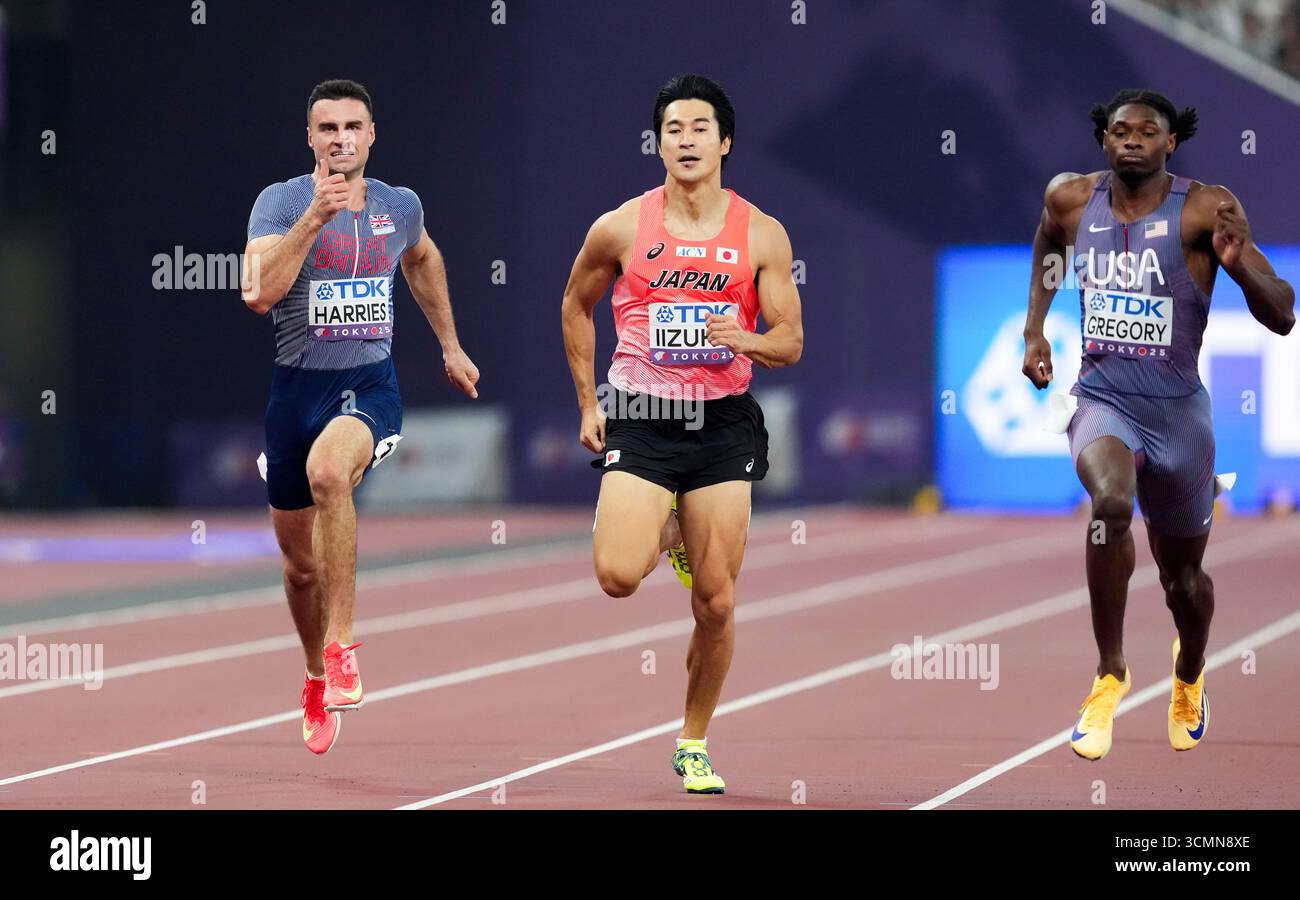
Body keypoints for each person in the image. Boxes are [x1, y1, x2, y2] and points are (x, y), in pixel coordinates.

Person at [1021, 89, 1294, 760]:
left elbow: (1283, 312)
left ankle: (1191, 671)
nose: (1132, 139)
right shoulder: (1069, 199)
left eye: (1148, 132)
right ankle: (1110, 672)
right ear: (1105, 140)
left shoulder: (1206, 207)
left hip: (1179, 416)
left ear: (1172, 143)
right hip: (1102, 399)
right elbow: (1048, 247)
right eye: (1120, 130)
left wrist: (1240, 266)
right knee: (1109, 503)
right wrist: (1035, 332)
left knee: (1185, 586)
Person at [560, 74, 804, 792]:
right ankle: (670, 528)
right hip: (643, 415)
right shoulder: (621, 227)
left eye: (700, 128)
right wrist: (586, 403)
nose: (687, 139)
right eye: (674, 129)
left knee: (718, 602)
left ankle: (693, 740)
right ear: (658, 142)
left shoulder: (761, 232)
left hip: (723, 424)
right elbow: (575, 306)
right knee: (615, 577)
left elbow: (790, 341)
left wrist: (746, 339)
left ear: (725, 142)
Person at [242, 79, 480, 754]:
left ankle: (343, 646)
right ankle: (316, 673)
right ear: (311, 139)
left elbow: (424, 257)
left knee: (329, 474)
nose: (341, 138)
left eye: (353, 126)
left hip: (366, 387)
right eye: (328, 128)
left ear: (372, 135)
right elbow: (257, 294)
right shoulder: (281, 203)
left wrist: (451, 345)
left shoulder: (399, 206)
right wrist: (313, 219)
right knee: (298, 568)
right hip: (295, 393)